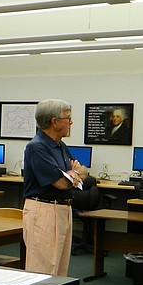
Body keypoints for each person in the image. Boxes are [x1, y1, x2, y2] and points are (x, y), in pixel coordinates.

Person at [22, 99, 89, 275]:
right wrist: (72, 174)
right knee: (42, 271)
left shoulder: (60, 145)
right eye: (68, 118)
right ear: (54, 121)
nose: (71, 122)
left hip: (62, 209)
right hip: (44, 210)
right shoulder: (37, 147)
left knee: (60, 270)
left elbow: (84, 171)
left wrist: (72, 173)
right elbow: (61, 183)